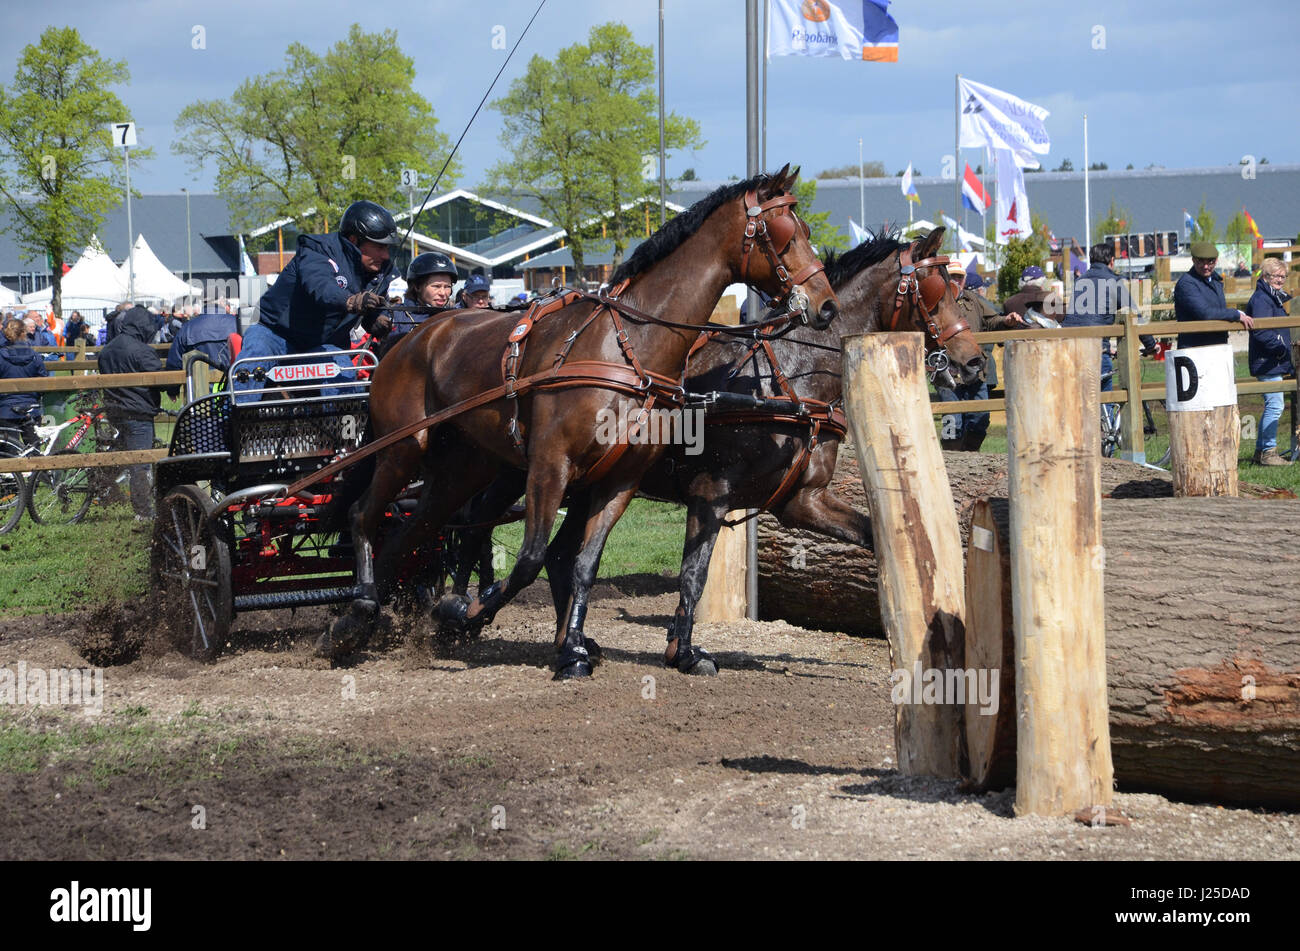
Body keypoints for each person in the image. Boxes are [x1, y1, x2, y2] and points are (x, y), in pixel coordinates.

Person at [234, 200, 400, 400]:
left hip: (323, 346)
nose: (385, 255)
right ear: (355, 240)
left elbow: (371, 310)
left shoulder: (380, 272)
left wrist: (377, 319)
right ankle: (230, 425)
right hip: (275, 336)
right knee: (252, 361)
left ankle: (344, 428)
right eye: (380, 247)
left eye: (388, 248)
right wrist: (350, 301)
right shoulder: (317, 249)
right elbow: (320, 286)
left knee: (342, 367)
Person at [937, 267, 1028, 451]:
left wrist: (1006, 321)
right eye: (951, 276)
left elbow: (992, 320)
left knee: (981, 417)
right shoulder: (936, 301)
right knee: (951, 421)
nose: (956, 280)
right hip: (948, 370)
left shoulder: (973, 299)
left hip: (974, 369)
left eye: (959, 277)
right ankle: (952, 460)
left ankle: (970, 454)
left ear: (964, 279)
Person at [97, 306, 163, 520]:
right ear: (144, 327)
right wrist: (171, 389)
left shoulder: (107, 349)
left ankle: (102, 491)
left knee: (121, 457)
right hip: (138, 412)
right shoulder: (142, 350)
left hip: (115, 411)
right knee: (140, 463)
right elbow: (160, 378)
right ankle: (143, 511)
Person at [1244, 258, 1294, 466]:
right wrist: (1282, 351)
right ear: (1265, 276)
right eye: (1276, 276)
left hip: (1272, 361)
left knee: (1273, 404)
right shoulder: (1262, 300)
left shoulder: (1272, 297)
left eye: (1283, 276)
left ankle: (1260, 451)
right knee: (1275, 405)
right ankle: (1268, 452)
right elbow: (1262, 332)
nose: (1280, 280)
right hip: (1268, 361)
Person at [375, 251, 459, 356]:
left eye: (447, 287)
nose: (443, 293)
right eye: (436, 286)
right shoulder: (395, 315)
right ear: (417, 286)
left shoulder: (455, 317)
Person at [1174, 242, 1254, 348]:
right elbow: (1205, 313)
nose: (1206, 266)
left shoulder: (1216, 281)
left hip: (1218, 344)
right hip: (1194, 347)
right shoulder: (1187, 283)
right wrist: (1235, 314)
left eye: (1210, 262)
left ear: (1216, 261)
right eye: (1200, 261)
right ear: (1193, 260)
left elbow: (1218, 310)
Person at [163, 310, 239, 400]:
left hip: (200, 397)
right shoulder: (238, 323)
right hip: (234, 391)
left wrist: (173, 390)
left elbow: (175, 362)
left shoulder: (188, 327)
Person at [0, 317, 49, 446]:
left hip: (6, 408)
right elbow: (43, 380)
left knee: (8, 452)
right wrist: (35, 396)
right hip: (31, 408)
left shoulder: (1, 355)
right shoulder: (34, 355)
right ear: (24, 333)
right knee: (34, 450)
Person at [1002, 265, 1066, 322]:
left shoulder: (1009, 303)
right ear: (1042, 281)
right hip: (1046, 335)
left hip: (1017, 335)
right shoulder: (1051, 298)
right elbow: (1061, 319)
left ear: (1021, 282)